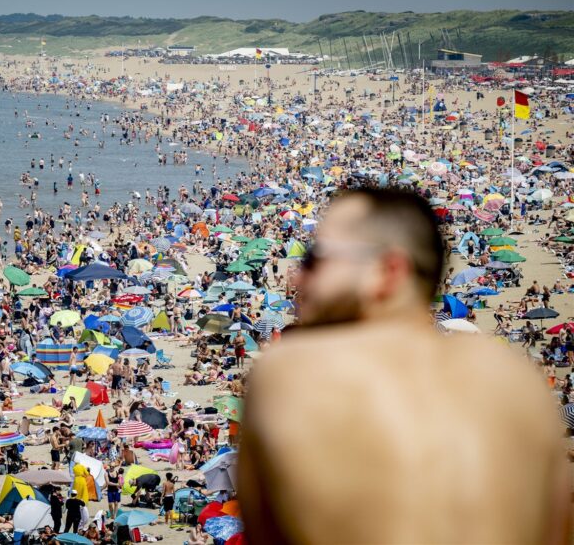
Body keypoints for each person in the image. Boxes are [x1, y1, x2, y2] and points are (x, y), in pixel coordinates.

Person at [238, 187, 567, 544]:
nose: (298, 278)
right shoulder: (516, 383)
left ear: (388, 270)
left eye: (315, 259)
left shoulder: (292, 377)